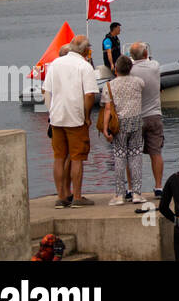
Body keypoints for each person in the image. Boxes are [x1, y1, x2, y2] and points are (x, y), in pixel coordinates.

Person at [42, 35, 100, 207]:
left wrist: (51, 110)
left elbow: (46, 90)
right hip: (76, 118)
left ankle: (61, 196)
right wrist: (87, 116)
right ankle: (77, 196)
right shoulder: (84, 66)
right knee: (77, 158)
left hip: (56, 118)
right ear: (85, 50)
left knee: (59, 158)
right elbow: (89, 95)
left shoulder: (55, 64)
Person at [102, 55, 145, 205]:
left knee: (120, 157)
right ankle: (137, 193)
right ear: (130, 68)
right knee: (136, 156)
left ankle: (120, 195)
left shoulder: (109, 86)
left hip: (119, 124)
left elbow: (108, 109)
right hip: (136, 122)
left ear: (116, 69)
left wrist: (105, 128)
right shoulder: (139, 82)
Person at [129, 41, 165, 197]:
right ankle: (158, 187)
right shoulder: (155, 66)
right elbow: (151, 60)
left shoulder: (130, 70)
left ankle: (132, 189)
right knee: (156, 152)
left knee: (132, 154)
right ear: (146, 54)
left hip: (135, 116)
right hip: (153, 115)